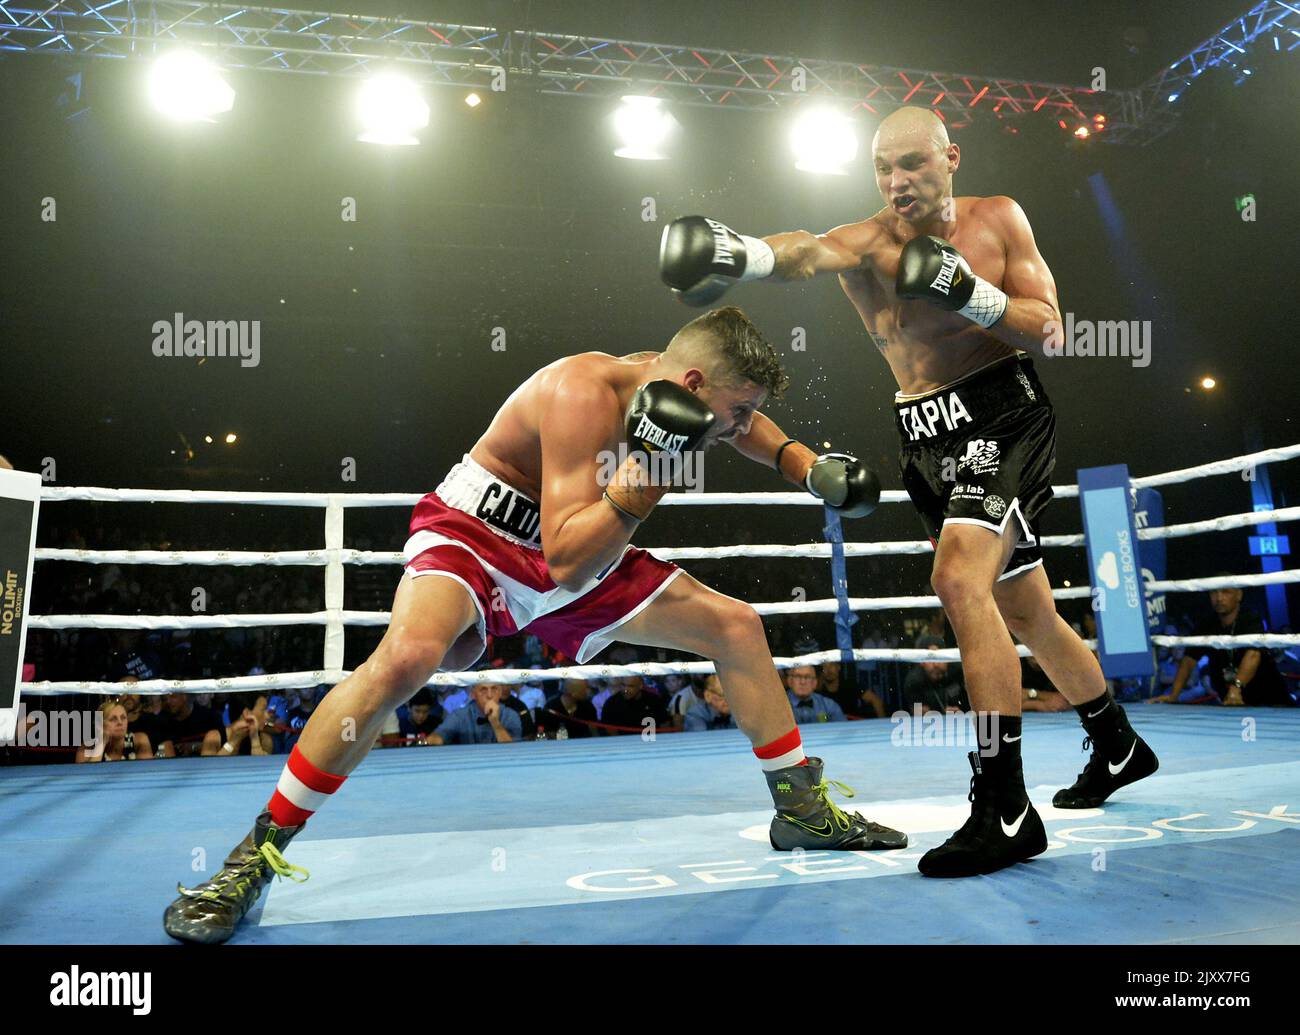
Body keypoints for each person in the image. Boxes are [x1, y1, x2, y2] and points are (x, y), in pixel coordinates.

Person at [163, 306, 904, 943]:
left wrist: (804, 465)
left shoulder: (673, 385)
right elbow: (565, 562)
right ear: (691, 389)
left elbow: (741, 430)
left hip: (580, 536)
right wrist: (645, 477)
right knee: (407, 658)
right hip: (482, 534)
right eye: (735, 410)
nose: (741, 427)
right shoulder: (583, 390)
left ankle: (801, 809)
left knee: (736, 626)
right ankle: (250, 859)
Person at [660, 106, 1159, 877]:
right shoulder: (866, 243)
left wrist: (972, 295)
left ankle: (1005, 805)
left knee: (959, 579)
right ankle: (1118, 742)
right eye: (884, 168)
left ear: (950, 157)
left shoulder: (998, 220)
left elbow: (1051, 330)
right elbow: (802, 251)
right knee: (1025, 608)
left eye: (914, 165)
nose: (898, 182)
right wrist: (745, 252)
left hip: (1003, 413)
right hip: (925, 440)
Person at [1148, 582, 1292, 707]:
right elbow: (1189, 659)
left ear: (1239, 595)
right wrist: (1174, 694)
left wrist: (1236, 688)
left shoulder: (1250, 619)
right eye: (1214, 592)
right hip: (1229, 700)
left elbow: (1253, 654)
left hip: (1269, 697)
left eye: (1225, 591)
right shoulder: (1206, 624)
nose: (1219, 598)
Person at [426, 683, 521, 745]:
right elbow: (436, 737)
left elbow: (513, 752)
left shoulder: (511, 715)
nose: (489, 695)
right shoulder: (460, 715)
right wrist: (436, 740)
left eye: (494, 689)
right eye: (483, 689)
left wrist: (495, 723)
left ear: (500, 692)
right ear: (473, 694)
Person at [902, 637, 969, 714]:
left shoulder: (960, 671)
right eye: (931, 658)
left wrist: (962, 710)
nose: (936, 664)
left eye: (940, 658)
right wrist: (942, 713)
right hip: (931, 723)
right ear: (921, 662)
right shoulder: (914, 680)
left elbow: (976, 699)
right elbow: (918, 712)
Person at [76, 699, 154, 762]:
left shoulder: (139, 740)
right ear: (100, 724)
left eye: (123, 718)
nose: (120, 722)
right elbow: (87, 778)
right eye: (113, 719)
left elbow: (146, 773)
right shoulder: (87, 747)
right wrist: (101, 742)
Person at [156, 691, 226, 758]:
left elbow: (225, 747)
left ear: (184, 696)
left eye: (173, 697)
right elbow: (160, 750)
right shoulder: (161, 721)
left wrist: (195, 747)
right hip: (172, 766)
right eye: (164, 699)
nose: (168, 701)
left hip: (207, 764)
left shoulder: (210, 717)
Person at [600, 675, 669, 735]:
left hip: (652, 742)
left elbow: (665, 724)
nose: (625, 690)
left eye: (630, 686)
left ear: (640, 685)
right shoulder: (611, 703)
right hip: (622, 745)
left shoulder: (653, 700)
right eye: (623, 685)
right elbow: (609, 730)